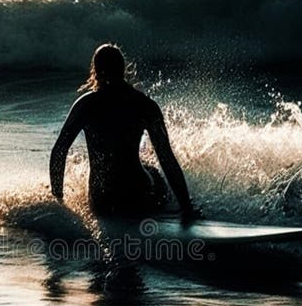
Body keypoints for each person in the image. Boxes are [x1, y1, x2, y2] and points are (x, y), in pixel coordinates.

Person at [50, 44, 195, 219]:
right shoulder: (145, 105)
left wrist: (59, 200)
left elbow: (59, 151)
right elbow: (167, 159)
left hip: (101, 199)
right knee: (153, 170)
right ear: (124, 69)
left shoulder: (85, 105)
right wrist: (187, 207)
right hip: (139, 194)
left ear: (95, 71)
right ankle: (171, 212)